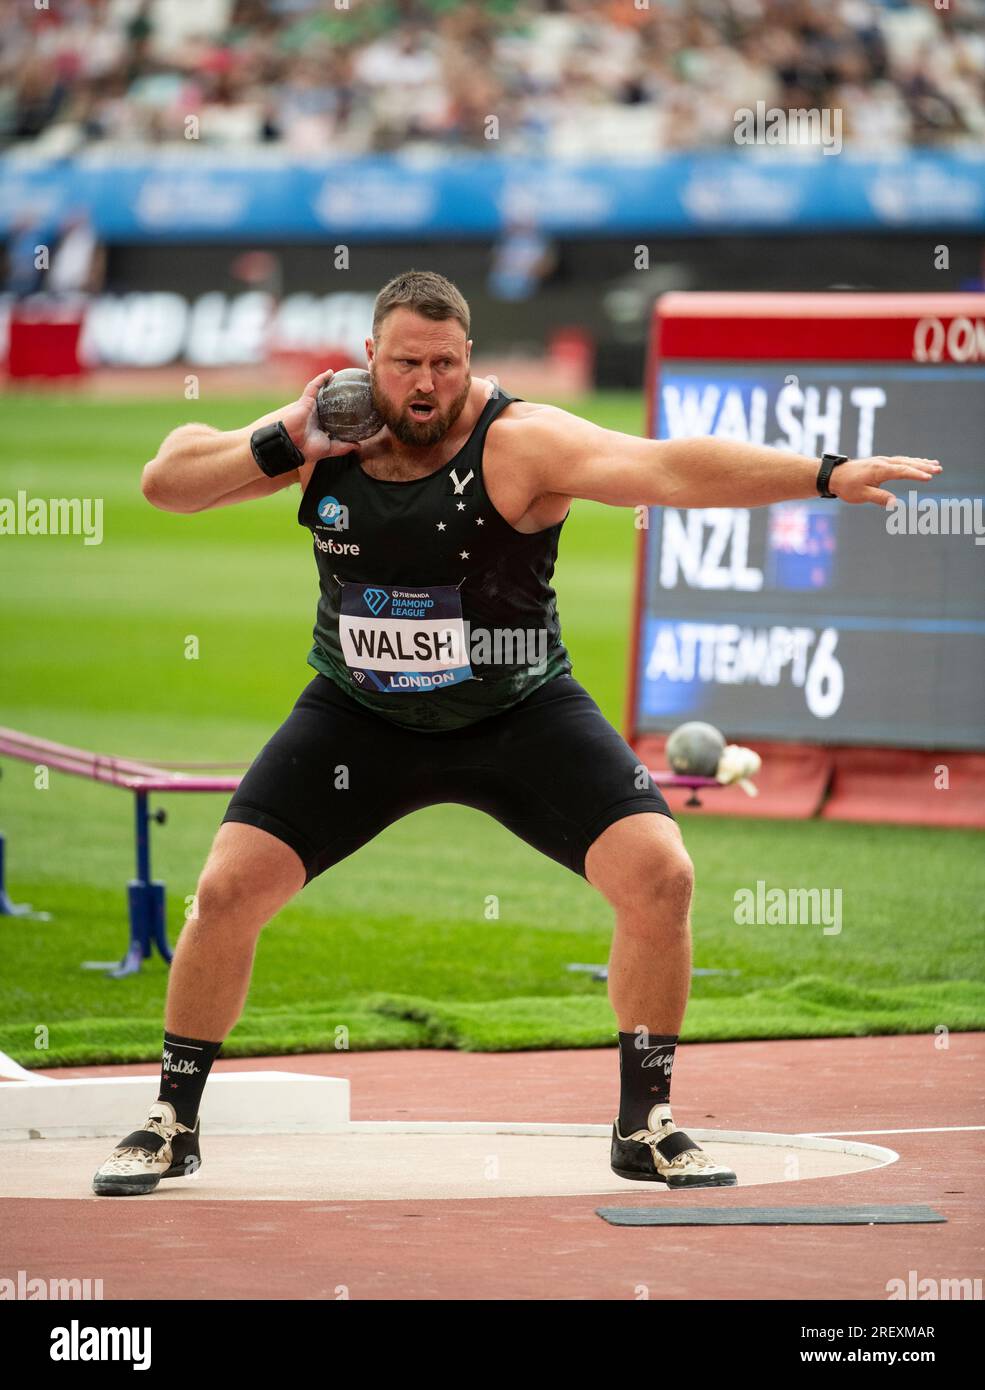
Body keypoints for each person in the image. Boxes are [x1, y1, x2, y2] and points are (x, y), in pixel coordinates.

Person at [91, 270, 941, 1196]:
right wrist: (285, 435)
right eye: (407, 364)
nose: (426, 386)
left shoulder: (520, 445)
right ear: (368, 358)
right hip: (359, 716)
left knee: (661, 875)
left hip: (517, 717)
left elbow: (665, 466)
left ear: (469, 360)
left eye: (446, 365)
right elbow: (167, 482)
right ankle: (172, 1120)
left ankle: (643, 1123)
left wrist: (822, 475)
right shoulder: (321, 439)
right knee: (225, 890)